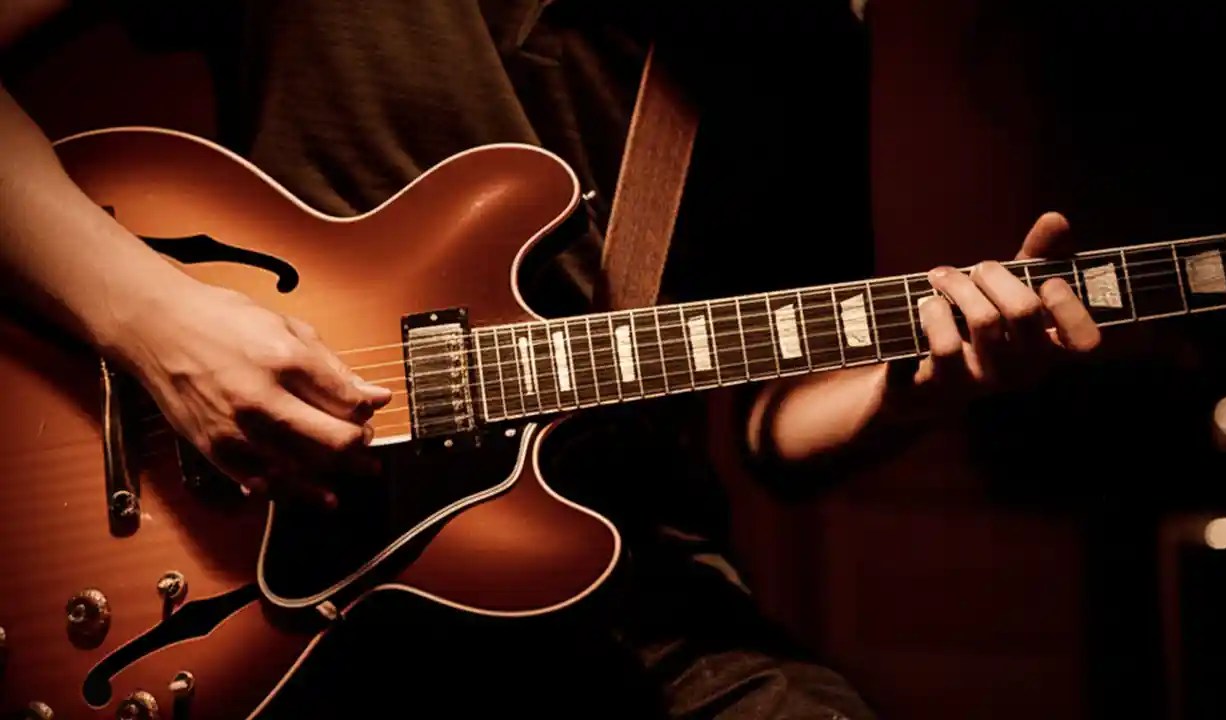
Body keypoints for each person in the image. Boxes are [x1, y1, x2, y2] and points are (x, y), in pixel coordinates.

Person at [0, 1, 1101, 717]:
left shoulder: (798, 30)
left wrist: (918, 388)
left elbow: (776, 419)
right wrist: (151, 321)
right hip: (264, 588)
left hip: (627, 589)